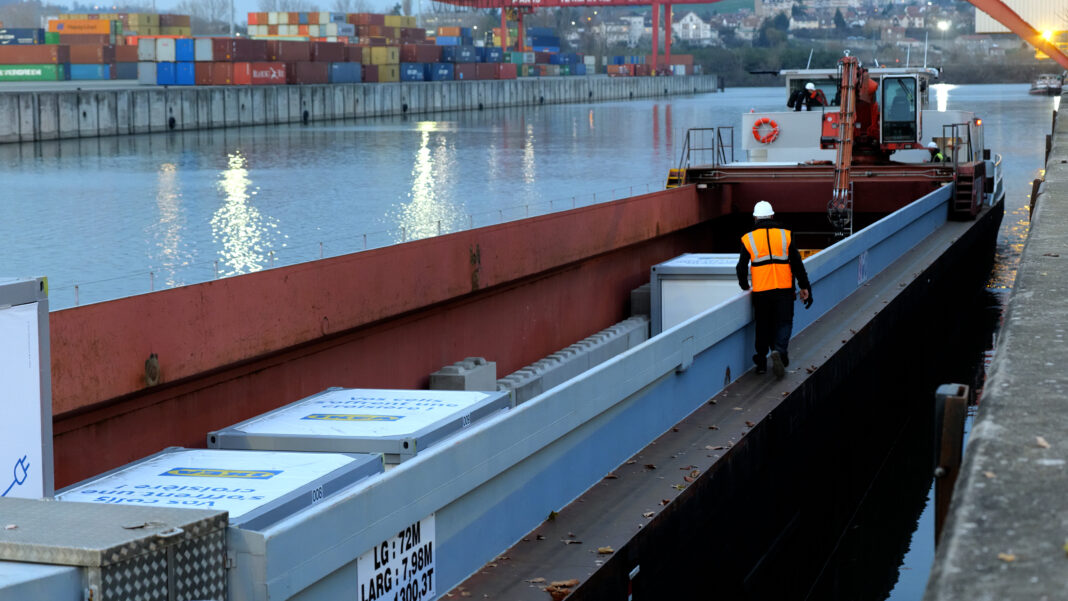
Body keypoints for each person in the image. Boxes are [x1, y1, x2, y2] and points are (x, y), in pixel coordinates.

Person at [736, 201, 813, 380]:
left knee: (763, 324)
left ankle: (761, 362)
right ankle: (779, 350)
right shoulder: (786, 235)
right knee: (784, 322)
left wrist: (745, 286)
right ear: (772, 216)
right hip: (784, 289)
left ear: (755, 218)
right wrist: (805, 286)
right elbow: (797, 264)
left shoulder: (748, 238)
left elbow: (741, 268)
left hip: (761, 290)